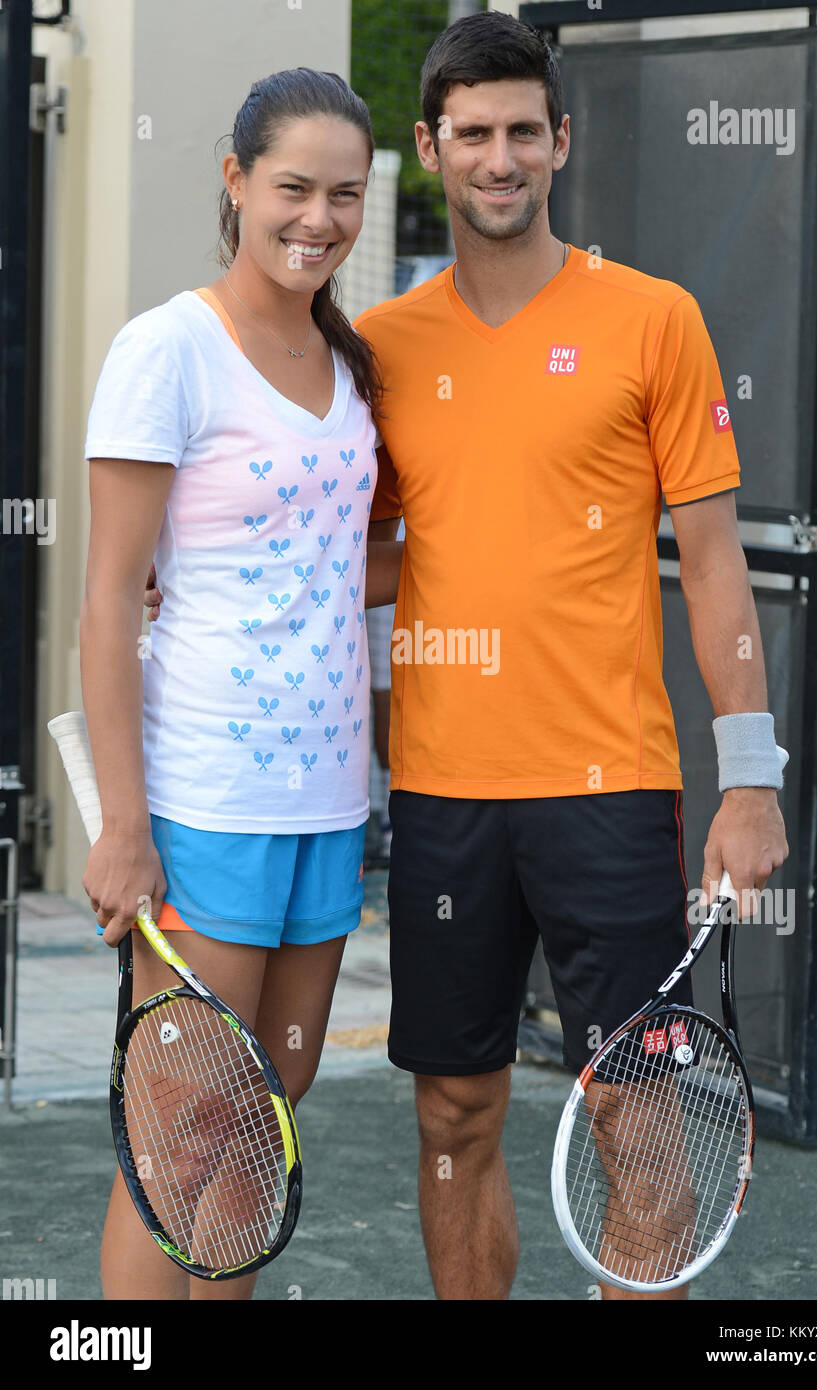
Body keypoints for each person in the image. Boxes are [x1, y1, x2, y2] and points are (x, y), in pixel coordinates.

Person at [146, 14, 789, 1302]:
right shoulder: (377, 347)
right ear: (432, 150)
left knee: (636, 1119)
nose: (502, 158)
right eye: (473, 134)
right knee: (452, 1115)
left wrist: (754, 773)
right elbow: (365, 553)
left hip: (610, 788)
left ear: (563, 139)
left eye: (523, 133)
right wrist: (209, 574)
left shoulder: (656, 320)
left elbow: (713, 557)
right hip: (441, 796)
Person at [82, 66, 401, 1301]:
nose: (317, 219)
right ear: (235, 180)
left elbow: (336, 565)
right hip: (202, 796)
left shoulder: (347, 361)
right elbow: (109, 596)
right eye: (292, 188)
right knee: (183, 1133)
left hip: (326, 803)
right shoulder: (167, 349)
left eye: (345, 195)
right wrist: (121, 823)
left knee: (267, 1112)